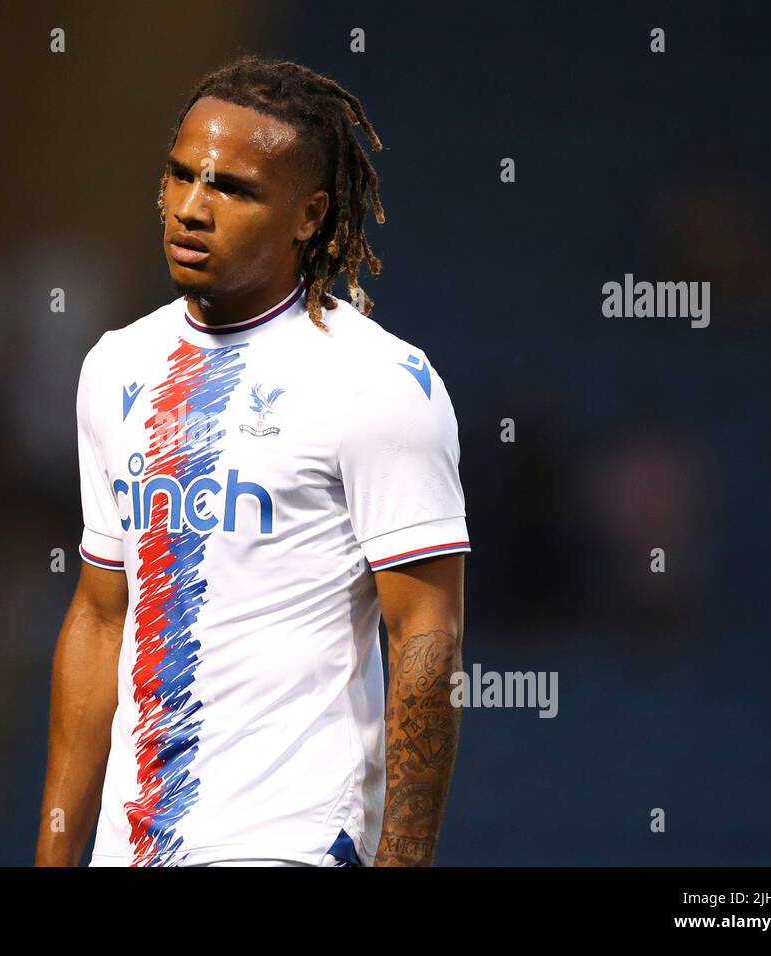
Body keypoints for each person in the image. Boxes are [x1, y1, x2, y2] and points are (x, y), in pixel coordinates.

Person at [35, 55, 470, 867]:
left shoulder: (376, 383)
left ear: (309, 214)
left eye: (232, 189)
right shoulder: (116, 368)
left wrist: (404, 860)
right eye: (179, 177)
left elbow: (426, 635)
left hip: (289, 843)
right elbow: (101, 616)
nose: (191, 209)